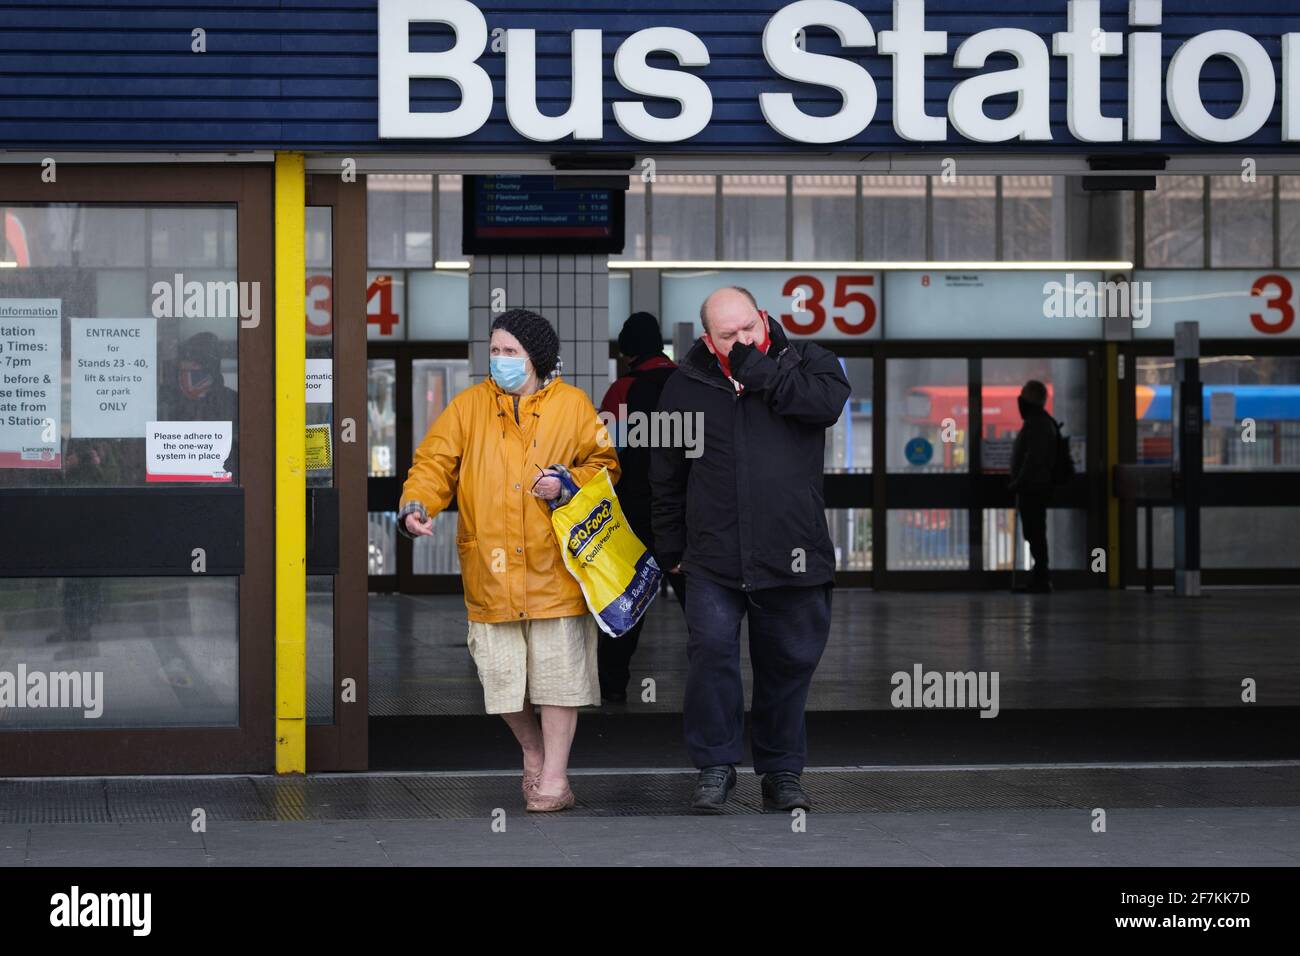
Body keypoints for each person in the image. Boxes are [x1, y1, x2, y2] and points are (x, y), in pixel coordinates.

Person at [397, 309, 619, 812]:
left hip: (555, 568)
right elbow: (435, 463)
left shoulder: (573, 406)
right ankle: (532, 749)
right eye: (494, 351)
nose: (499, 360)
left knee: (559, 681)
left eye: (510, 352)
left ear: (535, 357)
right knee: (501, 681)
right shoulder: (469, 406)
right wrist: (417, 504)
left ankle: (554, 780)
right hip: (492, 572)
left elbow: (604, 465)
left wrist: (566, 482)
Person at [650, 286, 851, 813]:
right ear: (707, 339)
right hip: (713, 558)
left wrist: (759, 372)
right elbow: (666, 474)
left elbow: (826, 405)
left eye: (749, 330)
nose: (742, 341)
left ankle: (782, 773)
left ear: (764, 319)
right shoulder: (685, 385)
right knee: (711, 657)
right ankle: (716, 767)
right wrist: (670, 545)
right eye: (728, 336)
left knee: (786, 666)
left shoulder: (811, 363)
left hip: (794, 552)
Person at [596, 311, 686, 703]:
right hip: (687, 518)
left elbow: (606, 456)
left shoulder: (622, 391)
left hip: (635, 517)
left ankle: (612, 690)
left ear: (629, 351)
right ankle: (715, 691)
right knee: (703, 614)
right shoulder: (690, 385)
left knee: (626, 609)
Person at [1008, 379, 1058, 593]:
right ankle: (1039, 576)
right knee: (1033, 531)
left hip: (1033, 487)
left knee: (1035, 531)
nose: (1020, 399)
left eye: (1023, 395)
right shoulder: (1039, 421)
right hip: (1034, 486)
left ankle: (1041, 577)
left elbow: (1033, 457)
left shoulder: (1037, 423)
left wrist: (1019, 481)